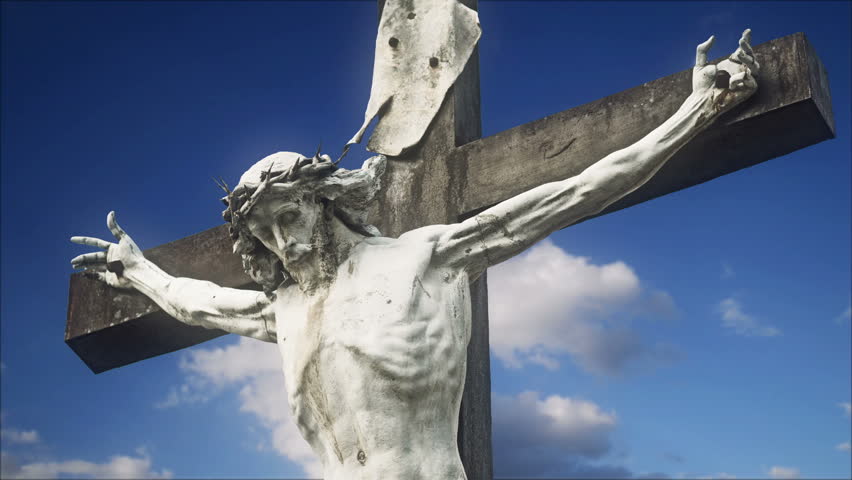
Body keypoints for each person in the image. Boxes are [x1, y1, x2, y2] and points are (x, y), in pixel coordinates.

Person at [70, 31, 758, 480]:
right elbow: (201, 302)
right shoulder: (284, 309)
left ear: (324, 201)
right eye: (267, 233)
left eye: (289, 216)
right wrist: (139, 270)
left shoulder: (423, 257)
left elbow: (575, 191)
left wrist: (695, 113)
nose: (284, 240)